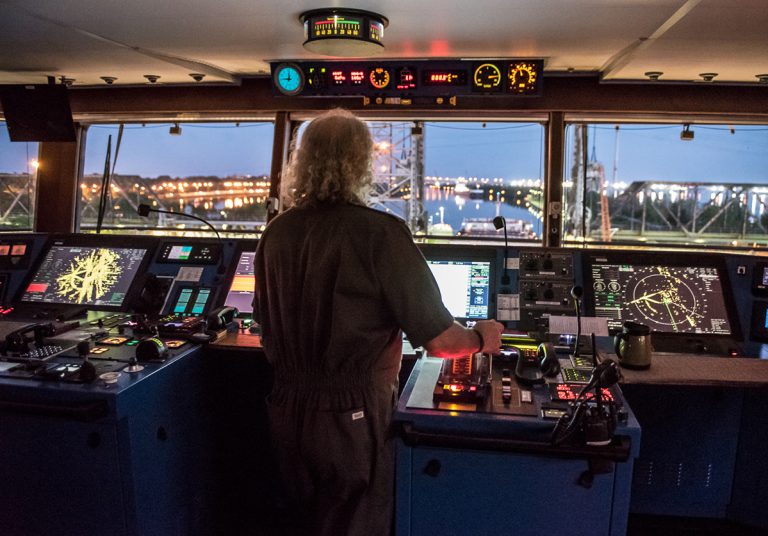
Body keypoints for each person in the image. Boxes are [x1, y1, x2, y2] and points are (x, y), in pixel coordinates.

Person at [253, 108, 503, 536]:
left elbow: (262, 321)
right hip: (351, 417)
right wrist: (483, 337)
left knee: (303, 521)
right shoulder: (381, 233)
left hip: (285, 409)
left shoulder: (277, 232)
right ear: (361, 163)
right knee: (354, 523)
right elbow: (442, 342)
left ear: (303, 161)